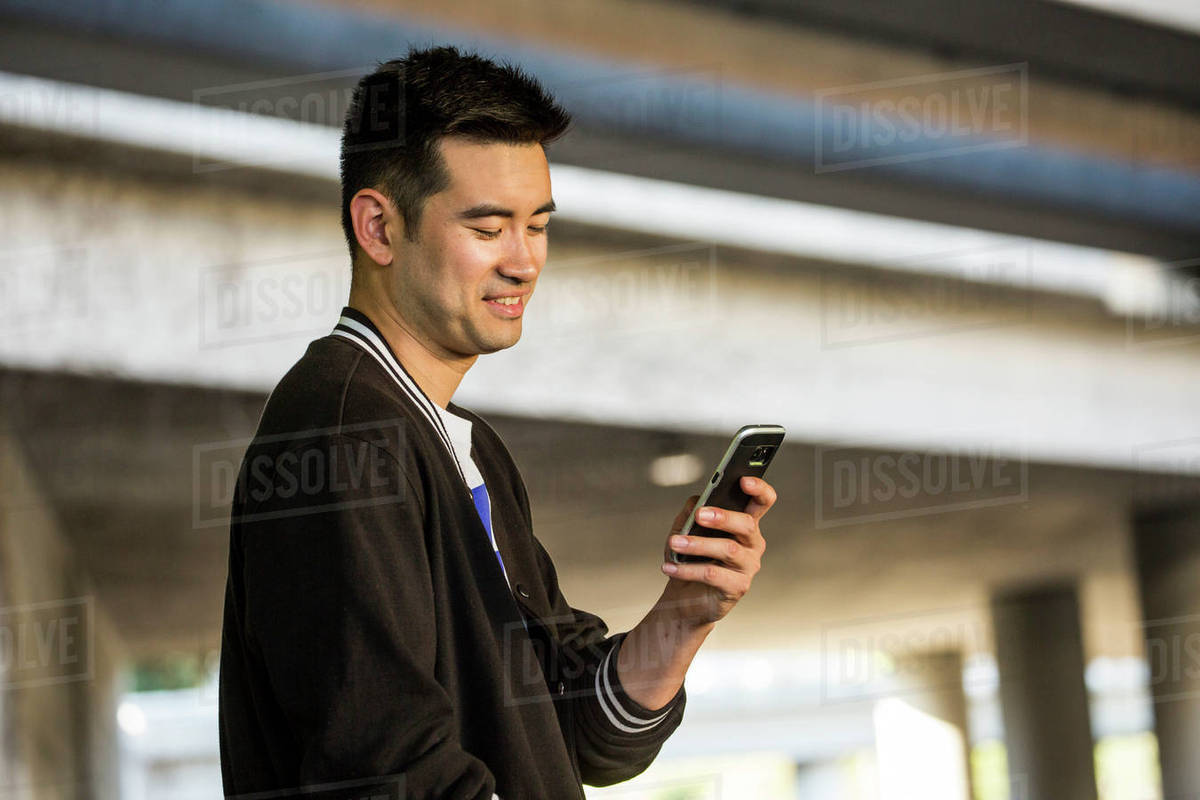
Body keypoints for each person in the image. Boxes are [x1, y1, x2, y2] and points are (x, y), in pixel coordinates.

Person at [217, 45, 777, 800]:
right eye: (489, 230)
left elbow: (576, 733)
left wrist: (686, 612)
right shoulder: (342, 433)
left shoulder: (466, 446)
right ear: (378, 228)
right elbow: (386, 771)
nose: (525, 263)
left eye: (537, 225)